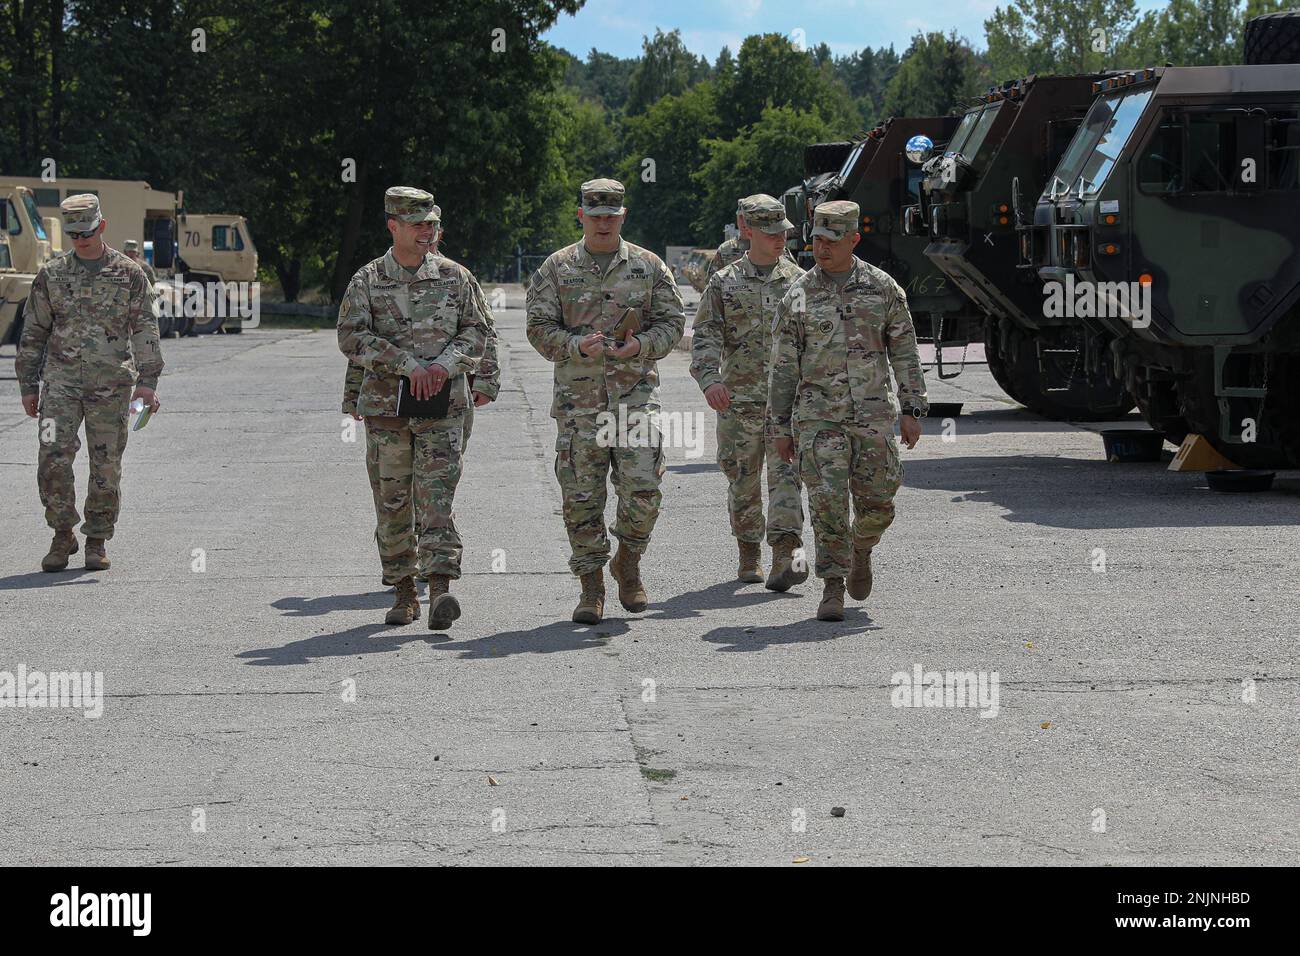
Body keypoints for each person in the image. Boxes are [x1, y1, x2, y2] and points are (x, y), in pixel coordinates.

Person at [526, 178, 684, 624]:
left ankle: (628, 563)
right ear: (581, 216)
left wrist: (642, 347)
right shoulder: (556, 268)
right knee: (581, 497)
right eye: (594, 216)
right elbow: (537, 329)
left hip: (634, 398)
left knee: (643, 489)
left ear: (622, 217)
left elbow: (672, 323)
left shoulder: (649, 267)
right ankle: (591, 585)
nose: (602, 223)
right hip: (580, 404)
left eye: (610, 216)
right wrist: (577, 345)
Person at [337, 186, 488, 629]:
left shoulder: (455, 277)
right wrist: (404, 364)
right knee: (393, 500)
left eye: (432, 224)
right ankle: (404, 591)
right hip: (388, 409)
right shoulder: (367, 280)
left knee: (437, 498)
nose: (428, 231)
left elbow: (477, 331)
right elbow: (351, 337)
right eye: (418, 224)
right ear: (394, 226)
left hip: (443, 406)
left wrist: (442, 365)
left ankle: (440, 587)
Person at [769, 200, 927, 622]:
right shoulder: (798, 295)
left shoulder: (883, 289)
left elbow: (906, 352)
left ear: (853, 239)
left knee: (879, 503)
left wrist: (911, 408)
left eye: (831, 240)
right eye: (817, 239)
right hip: (818, 419)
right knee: (827, 504)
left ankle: (862, 548)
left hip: (873, 416)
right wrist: (780, 428)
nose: (821, 247)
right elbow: (783, 367)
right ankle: (832, 587)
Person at [15, 194, 163, 572]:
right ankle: (62, 535)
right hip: (60, 385)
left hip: (111, 386)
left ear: (102, 226)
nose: (81, 239)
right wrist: (28, 384)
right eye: (74, 233)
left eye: (87, 231)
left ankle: (96, 538)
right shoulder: (52, 274)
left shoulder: (129, 274)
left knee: (106, 465)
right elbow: (33, 331)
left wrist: (148, 382)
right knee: (52, 458)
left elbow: (145, 328)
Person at [691, 194, 808, 590]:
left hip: (785, 405)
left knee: (786, 476)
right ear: (751, 232)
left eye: (784, 233)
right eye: (771, 232)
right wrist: (710, 379)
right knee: (742, 479)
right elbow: (705, 335)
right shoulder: (724, 282)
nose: (780, 239)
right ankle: (749, 552)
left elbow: (816, 340)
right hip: (738, 401)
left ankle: (784, 555)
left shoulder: (800, 283)